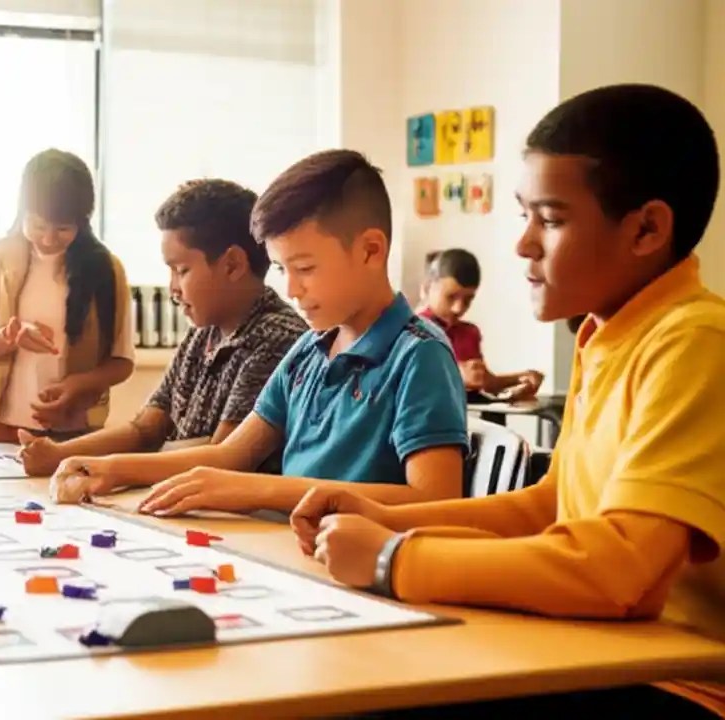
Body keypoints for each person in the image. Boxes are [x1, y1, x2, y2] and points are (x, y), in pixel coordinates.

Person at [294, 84, 724, 718]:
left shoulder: (694, 340)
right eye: (525, 215)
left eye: (549, 220)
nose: (523, 244)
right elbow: (548, 507)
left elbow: (619, 570)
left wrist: (393, 560)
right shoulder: (605, 334)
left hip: (680, 684)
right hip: (597, 652)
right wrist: (391, 519)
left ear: (647, 230)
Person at [52, 150, 468, 512]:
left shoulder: (418, 355)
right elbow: (230, 455)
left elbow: (434, 500)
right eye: (284, 269)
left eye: (305, 269)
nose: (291, 289)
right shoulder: (309, 351)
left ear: (370, 251)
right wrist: (110, 468)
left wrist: (262, 490)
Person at [20, 178, 305, 479]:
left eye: (181, 271)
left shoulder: (276, 339)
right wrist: (60, 454)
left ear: (232, 265)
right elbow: (146, 429)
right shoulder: (203, 333)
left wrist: (109, 467)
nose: (173, 289)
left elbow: (222, 457)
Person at [0, 149, 135, 443]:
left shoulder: (107, 269)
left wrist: (78, 386)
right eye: (38, 225)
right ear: (22, 211)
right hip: (0, 424)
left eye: (63, 228)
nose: (48, 238)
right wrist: (11, 335)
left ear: (82, 222)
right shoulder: (2, 256)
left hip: (76, 431)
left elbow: (122, 362)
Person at [417, 248, 543, 400]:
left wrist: (519, 379)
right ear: (426, 289)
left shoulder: (470, 333)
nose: (459, 308)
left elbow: (485, 383)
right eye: (450, 297)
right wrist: (454, 375)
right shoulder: (412, 330)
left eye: (468, 300)